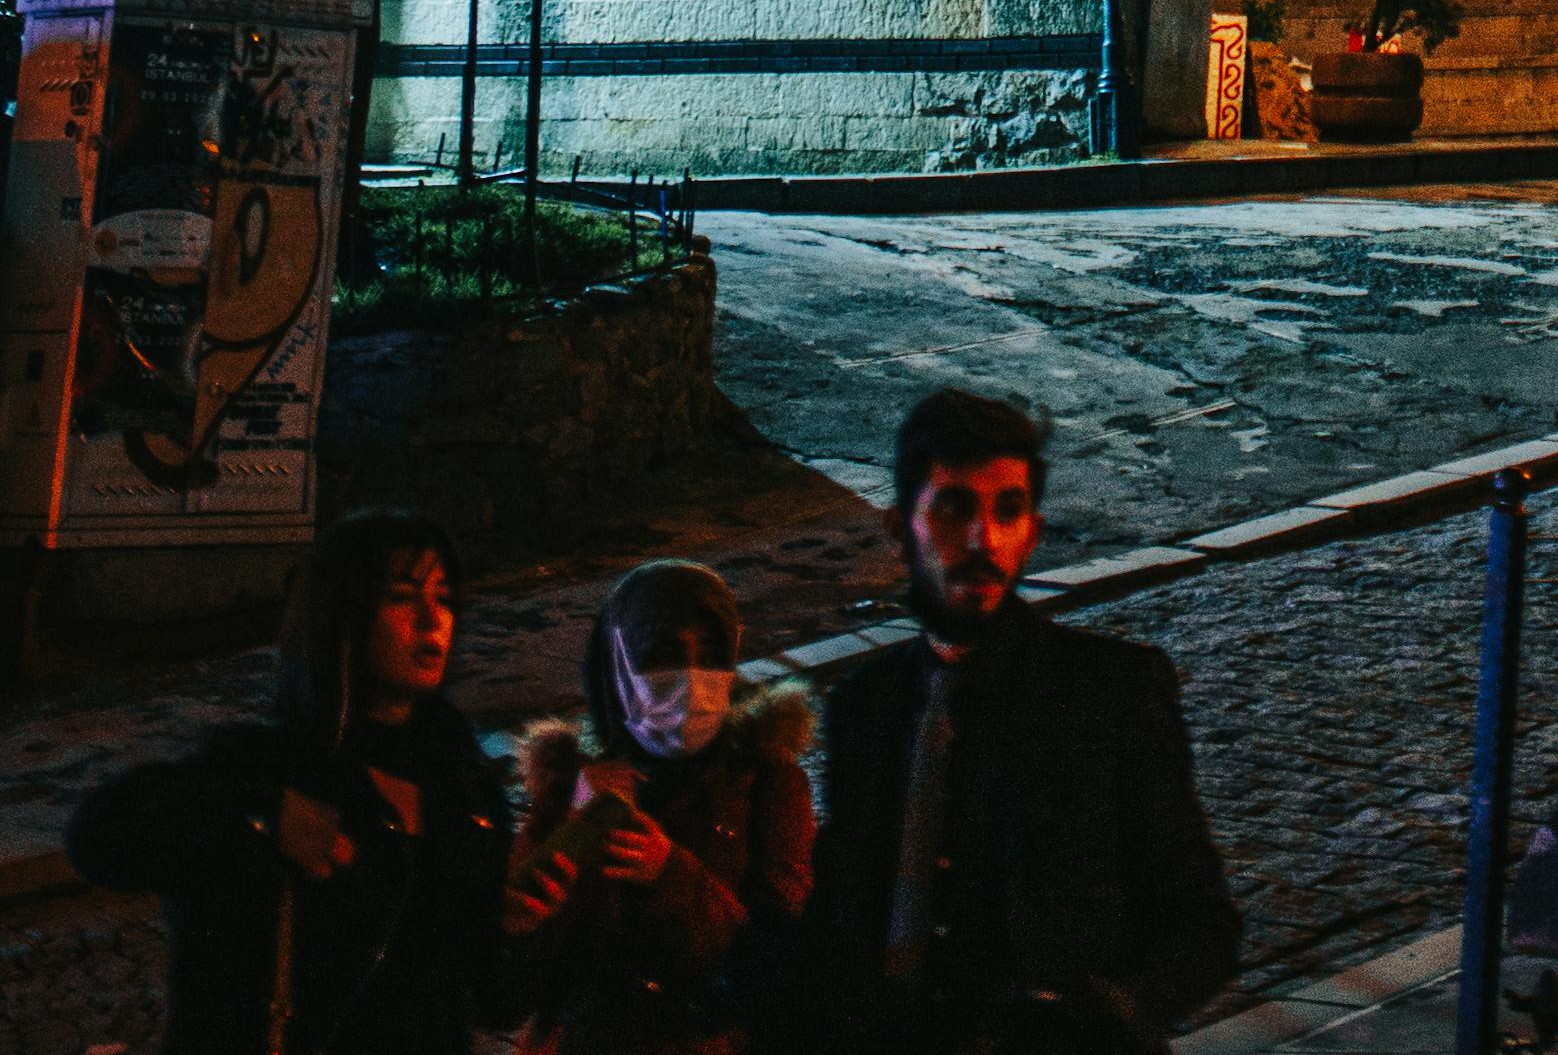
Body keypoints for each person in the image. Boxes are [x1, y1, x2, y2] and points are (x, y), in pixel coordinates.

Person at [782, 381, 1239, 1054]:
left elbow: (1200, 921)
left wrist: (1112, 1008)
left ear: (1033, 533)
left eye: (1008, 512)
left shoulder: (1107, 692)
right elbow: (844, 917)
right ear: (898, 527)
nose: (982, 539)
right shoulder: (865, 706)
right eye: (954, 509)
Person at [67, 510, 509, 1055]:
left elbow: (495, 997)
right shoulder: (269, 765)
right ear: (343, 614)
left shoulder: (466, 789)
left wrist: (528, 919)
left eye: (443, 597)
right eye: (402, 596)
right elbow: (101, 836)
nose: (431, 619)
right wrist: (262, 818)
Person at [506, 559, 815, 1055]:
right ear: (618, 666)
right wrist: (568, 839)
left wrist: (670, 874)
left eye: (710, 655)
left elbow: (779, 967)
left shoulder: (767, 783)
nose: (692, 679)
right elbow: (517, 981)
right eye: (663, 656)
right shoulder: (571, 786)